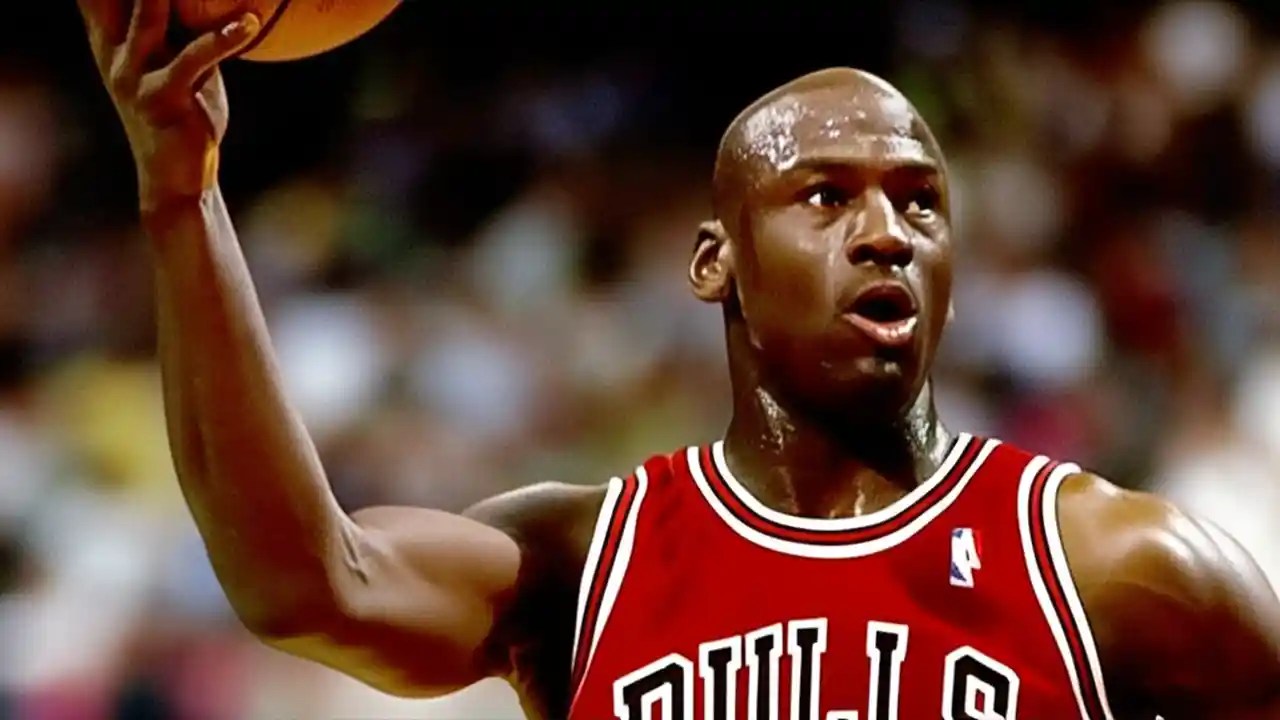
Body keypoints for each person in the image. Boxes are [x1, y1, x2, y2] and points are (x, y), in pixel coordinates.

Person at [77, 1, 1280, 718]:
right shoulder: (583, 559)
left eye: (920, 207)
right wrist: (183, 199)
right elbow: (305, 582)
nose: (883, 233)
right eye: (824, 196)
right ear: (714, 264)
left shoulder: (1118, 569)